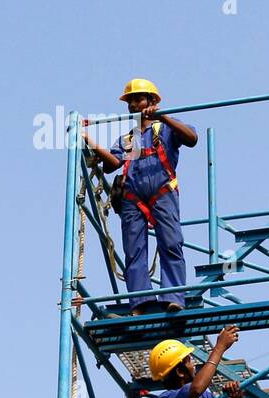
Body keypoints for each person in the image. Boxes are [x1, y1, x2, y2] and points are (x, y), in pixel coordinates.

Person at [83, 78, 197, 314]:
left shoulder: (165, 128)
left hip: (162, 191)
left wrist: (163, 116)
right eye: (130, 101)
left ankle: (173, 296)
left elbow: (192, 139)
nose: (133, 105)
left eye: (138, 99)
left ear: (152, 101)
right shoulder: (127, 139)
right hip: (132, 198)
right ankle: (140, 301)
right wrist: (88, 139)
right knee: (134, 250)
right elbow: (114, 163)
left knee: (171, 243)